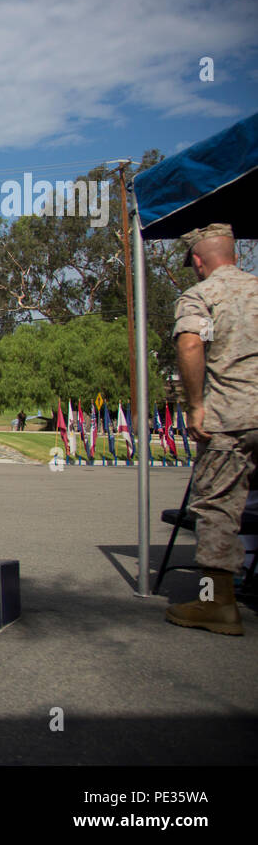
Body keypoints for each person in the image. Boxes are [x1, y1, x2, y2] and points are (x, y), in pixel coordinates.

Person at [165, 223, 257, 636]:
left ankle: (215, 603)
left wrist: (196, 405)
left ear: (198, 260)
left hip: (231, 419)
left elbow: (190, 344)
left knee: (216, 507)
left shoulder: (202, 295)